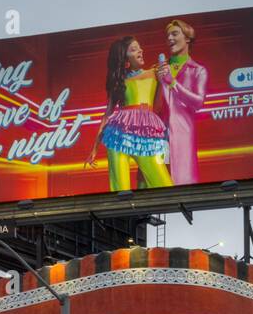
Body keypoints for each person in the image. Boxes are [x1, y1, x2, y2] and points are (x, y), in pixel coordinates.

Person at [85, 36, 174, 192]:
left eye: (139, 48)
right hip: (118, 137)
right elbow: (107, 114)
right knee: (120, 192)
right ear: (125, 59)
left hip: (146, 135)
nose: (140, 50)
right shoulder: (119, 81)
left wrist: (164, 81)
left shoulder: (154, 72)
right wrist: (94, 148)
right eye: (134, 49)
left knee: (165, 186)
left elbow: (158, 106)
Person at [154, 19, 208, 185]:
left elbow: (198, 102)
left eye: (174, 34)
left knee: (183, 182)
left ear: (187, 38)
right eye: (167, 35)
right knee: (158, 182)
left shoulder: (198, 70)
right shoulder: (158, 70)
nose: (169, 38)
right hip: (159, 136)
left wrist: (173, 83)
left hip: (183, 136)